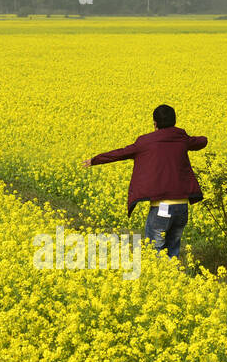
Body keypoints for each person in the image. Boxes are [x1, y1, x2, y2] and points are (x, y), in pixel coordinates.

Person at [82, 105, 207, 258]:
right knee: (172, 250)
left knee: (155, 250)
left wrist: (95, 160)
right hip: (182, 208)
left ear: (155, 123)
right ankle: (173, 278)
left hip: (162, 208)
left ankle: (163, 279)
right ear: (174, 121)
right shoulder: (181, 138)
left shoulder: (145, 141)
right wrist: (197, 139)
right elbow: (201, 142)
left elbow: (121, 153)